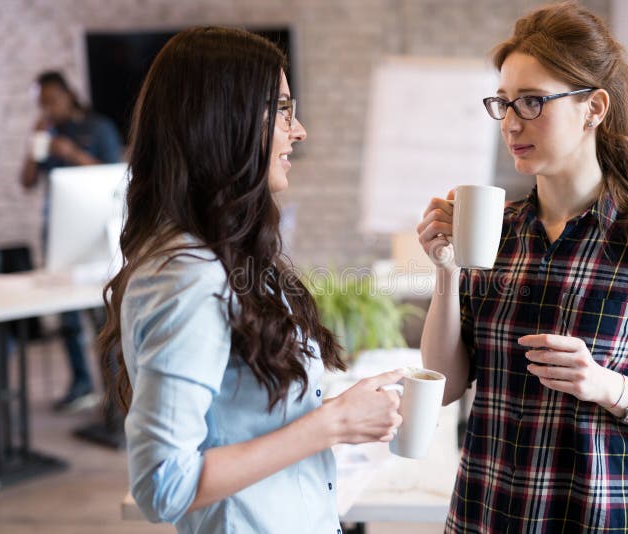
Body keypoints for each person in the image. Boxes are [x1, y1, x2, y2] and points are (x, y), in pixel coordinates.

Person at [416, 2, 628, 532]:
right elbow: (447, 386)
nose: (512, 122)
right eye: (504, 103)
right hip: (487, 511)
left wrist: (606, 385)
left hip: (599, 517)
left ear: (594, 108)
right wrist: (447, 272)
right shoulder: (495, 232)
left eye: (533, 101)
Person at [96, 27, 403, 533]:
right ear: (224, 121)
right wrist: (333, 424)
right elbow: (163, 486)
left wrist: (342, 404)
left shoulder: (230, 254)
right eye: (281, 109)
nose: (298, 130)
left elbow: (243, 410)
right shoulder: (186, 278)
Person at [21, 70, 123, 411]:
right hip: (56, 234)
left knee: (102, 317)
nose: (46, 108)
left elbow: (115, 176)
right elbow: (27, 181)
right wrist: (35, 146)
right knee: (67, 319)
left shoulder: (99, 128)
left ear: (68, 94)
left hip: (95, 233)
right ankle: (81, 385)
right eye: (41, 103)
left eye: (51, 100)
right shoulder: (47, 133)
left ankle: (113, 393)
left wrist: (70, 153)